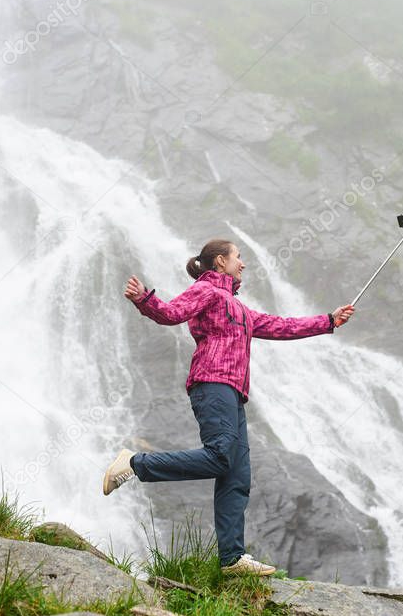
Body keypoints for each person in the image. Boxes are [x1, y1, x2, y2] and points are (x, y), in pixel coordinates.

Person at [103, 238, 355, 577]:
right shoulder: (206, 291)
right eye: (239, 257)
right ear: (220, 262)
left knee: (236, 474)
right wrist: (144, 300)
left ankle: (232, 559)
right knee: (221, 456)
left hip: (233, 393)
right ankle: (134, 464)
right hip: (211, 383)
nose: (244, 263)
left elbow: (282, 326)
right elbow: (170, 313)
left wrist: (329, 320)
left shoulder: (239, 308)